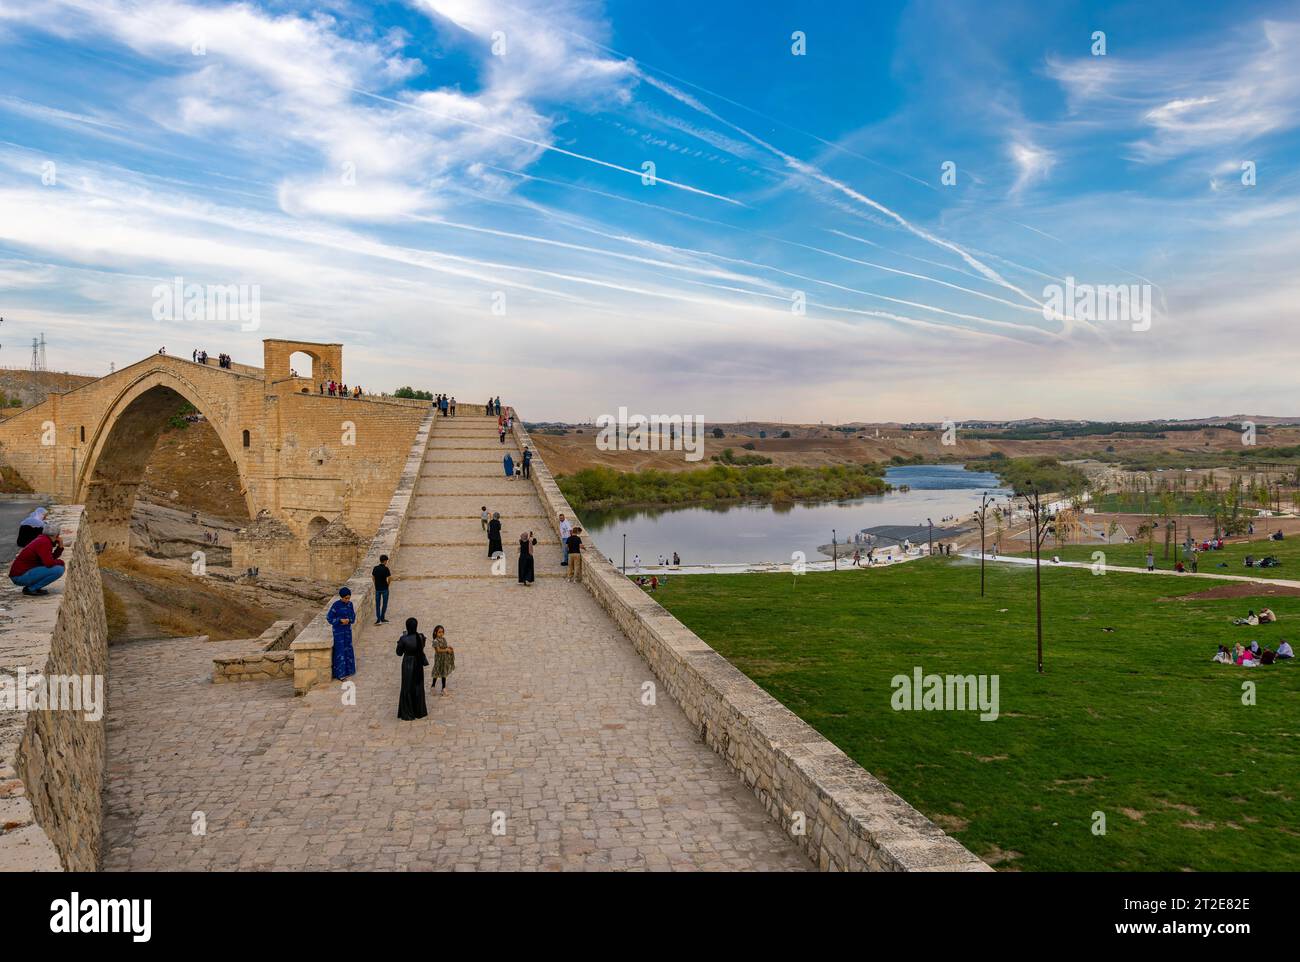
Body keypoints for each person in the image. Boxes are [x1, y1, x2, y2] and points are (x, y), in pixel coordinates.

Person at [9, 520, 65, 595]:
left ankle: (33, 587)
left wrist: (60, 547)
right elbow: (49, 563)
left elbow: (50, 558)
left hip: (20, 574)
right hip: (20, 576)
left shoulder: (43, 539)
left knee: (58, 567)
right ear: (57, 535)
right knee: (59, 570)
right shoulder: (45, 542)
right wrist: (61, 562)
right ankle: (31, 589)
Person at [395, 617, 428, 721]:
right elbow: (421, 647)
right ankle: (419, 711)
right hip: (418, 663)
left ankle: (408, 713)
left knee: (407, 687)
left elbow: (399, 653)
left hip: (408, 664)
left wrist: (400, 641)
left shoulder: (404, 639)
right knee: (418, 686)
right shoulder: (421, 637)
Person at [326, 587, 356, 680]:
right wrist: (339, 620)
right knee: (340, 652)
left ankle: (349, 671)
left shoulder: (350, 604)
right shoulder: (336, 605)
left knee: (348, 650)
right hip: (338, 632)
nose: (347, 600)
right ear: (341, 597)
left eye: (349, 598)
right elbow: (329, 618)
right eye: (346, 598)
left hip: (347, 631)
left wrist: (349, 620)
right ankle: (340, 674)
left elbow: (353, 617)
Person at [430, 625, 455, 695]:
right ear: (435, 633)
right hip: (438, 659)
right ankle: (433, 686)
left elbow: (445, 646)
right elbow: (438, 650)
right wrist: (446, 650)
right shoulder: (435, 641)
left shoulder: (444, 639)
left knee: (444, 672)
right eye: (439, 632)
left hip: (444, 659)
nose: (441, 634)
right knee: (437, 672)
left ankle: (443, 688)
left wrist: (449, 648)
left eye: (442, 632)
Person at [372, 554, 392, 625]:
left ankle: (378, 619)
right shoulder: (386, 569)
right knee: (384, 604)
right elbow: (389, 578)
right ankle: (382, 618)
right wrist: (388, 585)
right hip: (384, 588)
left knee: (377, 604)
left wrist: (375, 584)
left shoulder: (375, 568)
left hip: (377, 588)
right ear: (385, 561)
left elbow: (373, 577)